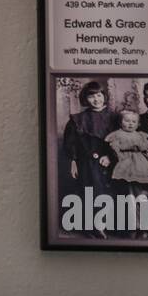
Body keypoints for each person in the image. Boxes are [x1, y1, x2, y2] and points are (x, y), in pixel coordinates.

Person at [61, 81, 116, 236]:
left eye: (99, 95)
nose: (96, 100)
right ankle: (94, 225)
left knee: (109, 188)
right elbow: (70, 143)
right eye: (91, 96)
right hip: (86, 161)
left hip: (111, 160)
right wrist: (73, 162)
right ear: (85, 99)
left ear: (104, 96)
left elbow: (122, 140)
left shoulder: (114, 117)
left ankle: (109, 222)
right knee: (91, 185)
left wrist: (111, 157)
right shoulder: (78, 119)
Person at [107, 109, 148, 187]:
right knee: (127, 180)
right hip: (126, 159)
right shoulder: (117, 134)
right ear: (120, 122)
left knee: (145, 176)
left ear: (138, 124)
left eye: (134, 122)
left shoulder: (140, 135)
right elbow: (115, 147)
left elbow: (145, 146)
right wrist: (124, 151)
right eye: (127, 121)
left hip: (141, 160)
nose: (130, 124)